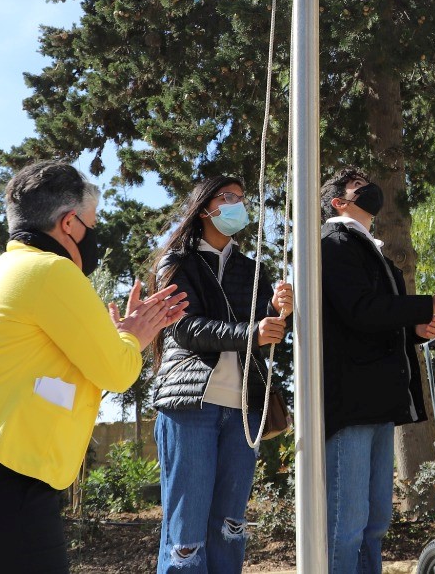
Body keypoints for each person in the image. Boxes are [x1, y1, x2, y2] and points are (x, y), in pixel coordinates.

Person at [0, 160, 187, 574]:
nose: (94, 234)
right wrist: (133, 335)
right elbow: (117, 371)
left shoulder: (13, 270)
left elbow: (73, 364)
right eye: (92, 223)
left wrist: (118, 336)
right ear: (70, 223)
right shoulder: (52, 271)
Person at [320, 167, 435, 574]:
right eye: (358, 186)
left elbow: (372, 322)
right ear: (339, 202)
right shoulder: (333, 242)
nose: (369, 188)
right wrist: (431, 302)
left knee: (374, 524)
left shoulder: (373, 251)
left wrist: (415, 330)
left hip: (375, 403)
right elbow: (359, 310)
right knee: (346, 524)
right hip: (350, 404)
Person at [150, 175, 294, 574]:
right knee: (186, 537)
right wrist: (252, 332)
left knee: (231, 526)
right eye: (227, 197)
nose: (237, 206)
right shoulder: (176, 263)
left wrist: (282, 309)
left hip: (242, 408)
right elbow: (184, 328)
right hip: (189, 405)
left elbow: (270, 330)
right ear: (203, 208)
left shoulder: (251, 268)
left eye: (242, 199)